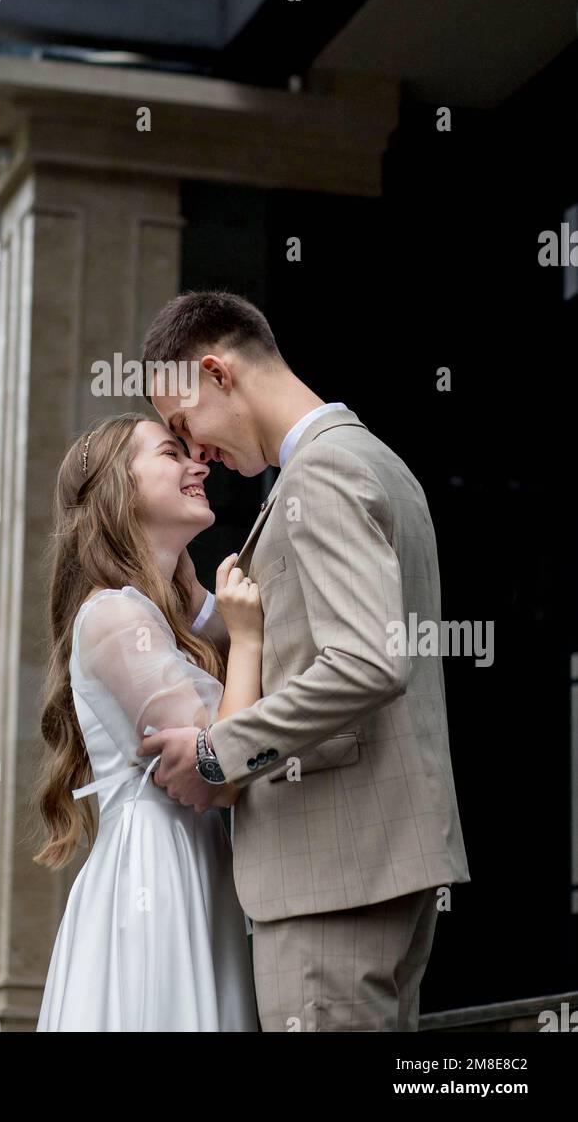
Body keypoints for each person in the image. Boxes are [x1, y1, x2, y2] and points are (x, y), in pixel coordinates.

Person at [138, 289, 471, 1032]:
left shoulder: (319, 476)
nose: (196, 453)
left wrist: (217, 753)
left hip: (333, 875)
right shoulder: (373, 462)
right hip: (371, 862)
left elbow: (365, 662)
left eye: (184, 424)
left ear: (219, 373)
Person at [32, 412, 261, 1031]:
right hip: (158, 871)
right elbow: (222, 764)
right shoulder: (113, 617)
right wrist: (248, 641)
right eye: (170, 452)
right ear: (121, 489)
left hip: (194, 860)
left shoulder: (162, 613)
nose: (198, 465)